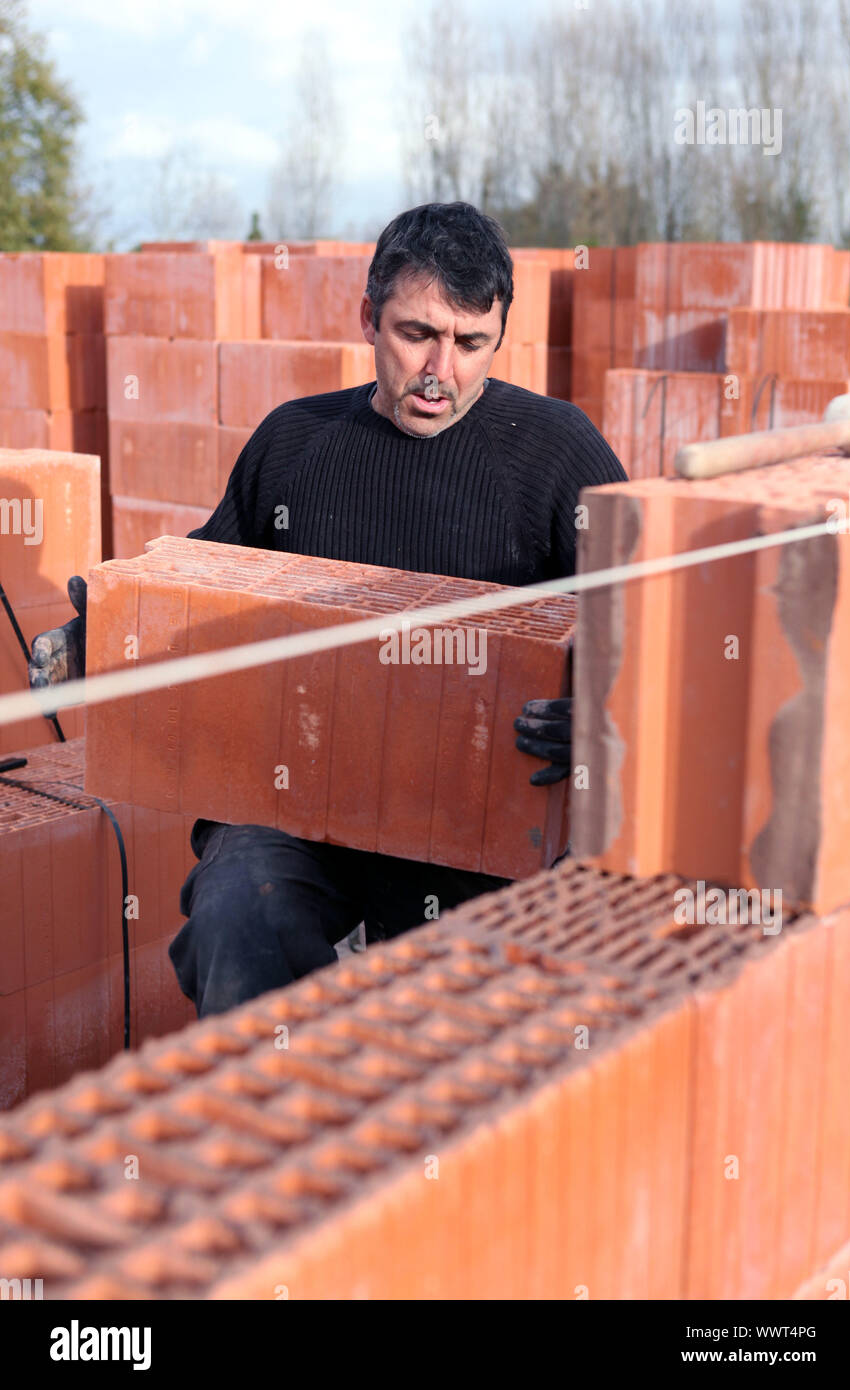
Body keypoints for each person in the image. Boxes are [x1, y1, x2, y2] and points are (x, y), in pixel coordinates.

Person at [29, 201, 627, 1017]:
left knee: (452, 1022)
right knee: (240, 912)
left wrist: (605, 707)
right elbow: (211, 594)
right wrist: (102, 636)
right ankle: (263, 1117)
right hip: (298, 799)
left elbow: (653, 623)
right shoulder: (296, 445)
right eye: (416, 333)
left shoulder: (556, 454)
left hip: (479, 818)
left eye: (470, 343)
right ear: (367, 318)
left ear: (500, 338)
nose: (439, 370)